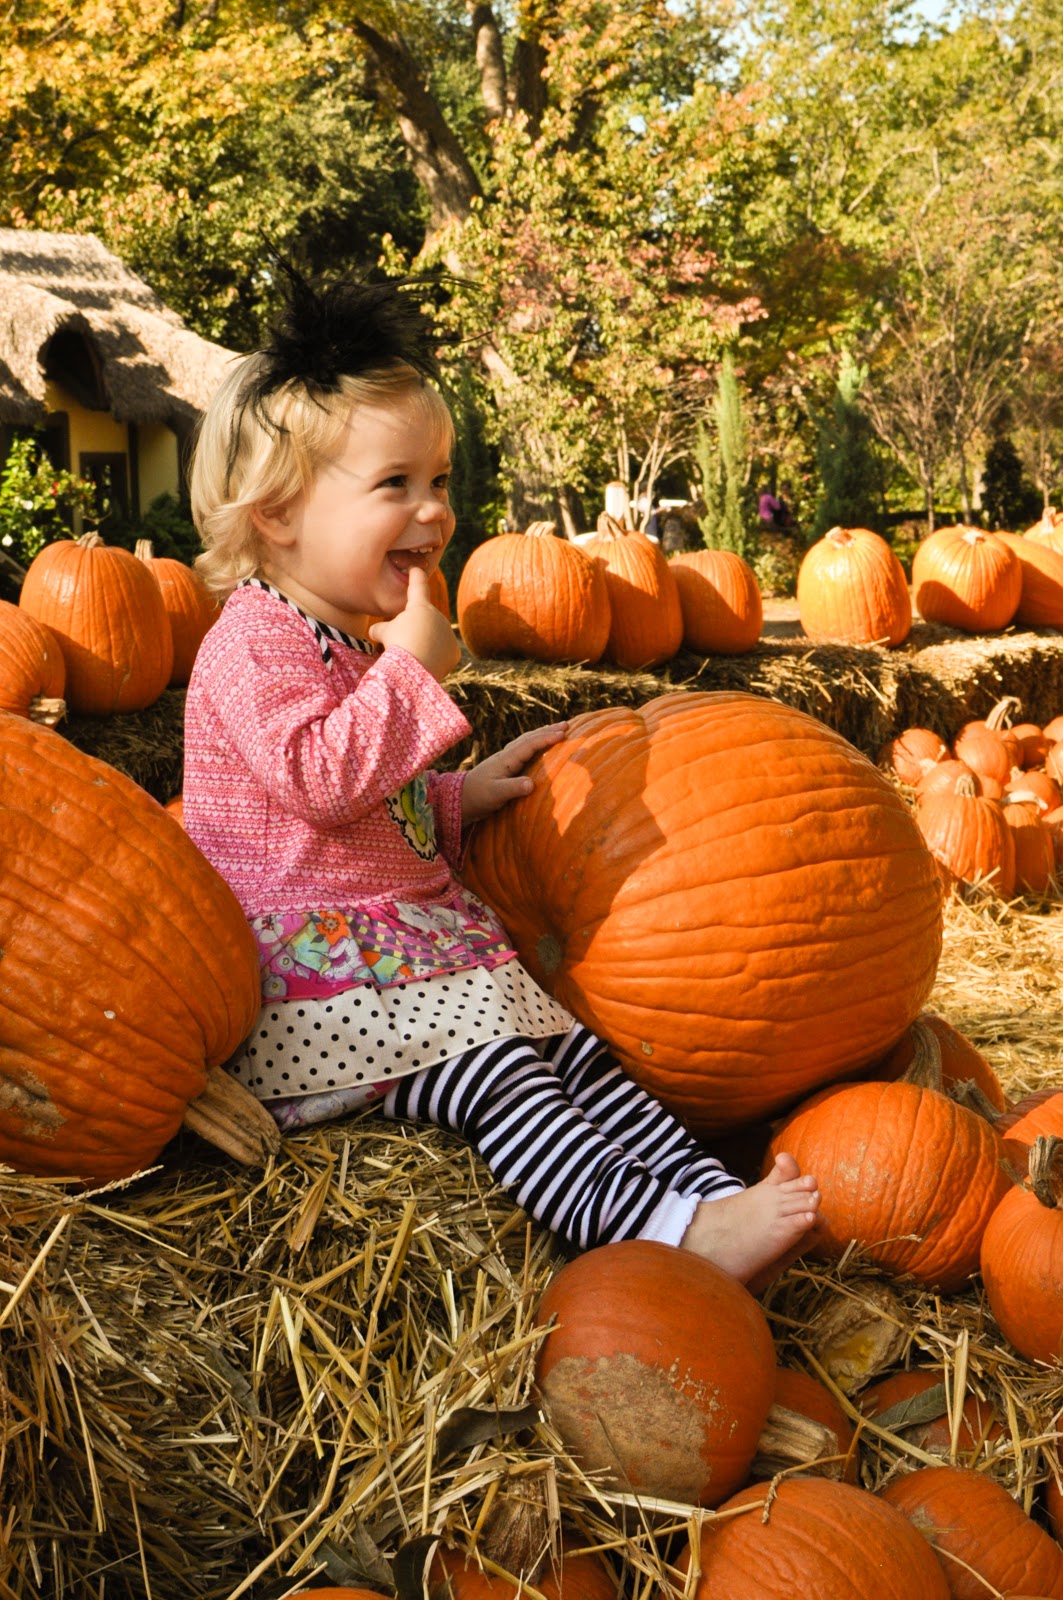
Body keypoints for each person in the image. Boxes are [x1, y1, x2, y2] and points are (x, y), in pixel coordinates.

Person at [183, 271, 820, 1286]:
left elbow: (355, 813)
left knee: (571, 1050)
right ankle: (657, 1236)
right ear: (278, 517)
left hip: (388, 960)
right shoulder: (250, 642)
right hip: (304, 992)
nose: (433, 511)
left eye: (438, 480)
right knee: (499, 1075)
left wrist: (454, 797)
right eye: (395, 485)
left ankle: (702, 1195)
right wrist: (411, 672)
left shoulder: (343, 634)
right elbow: (314, 780)